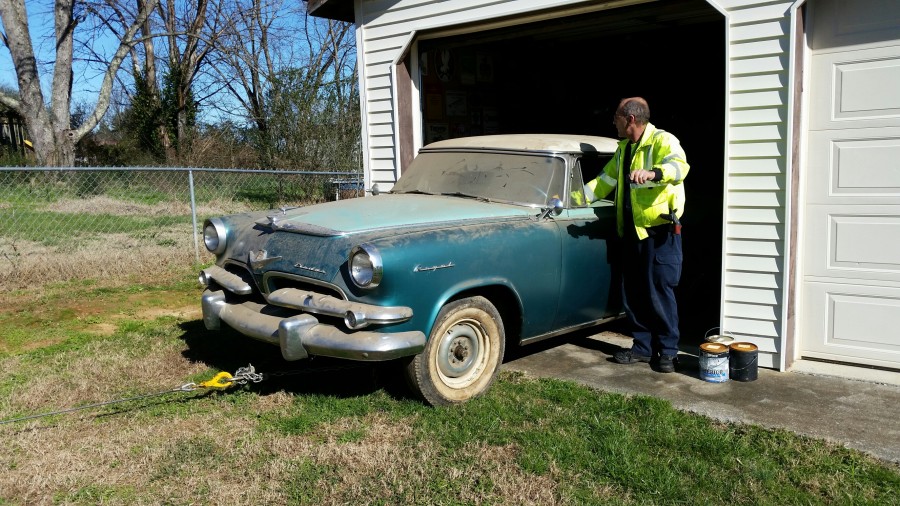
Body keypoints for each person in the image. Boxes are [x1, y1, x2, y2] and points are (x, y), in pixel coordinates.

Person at [583, 97, 689, 373]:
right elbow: (605, 181)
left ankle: (668, 352)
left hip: (660, 232)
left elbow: (680, 168)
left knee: (659, 292)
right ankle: (642, 348)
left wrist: (653, 173)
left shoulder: (663, 140)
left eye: (616, 116)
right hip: (631, 232)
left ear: (630, 119)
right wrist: (572, 199)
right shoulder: (624, 150)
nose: (613, 121)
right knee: (634, 293)